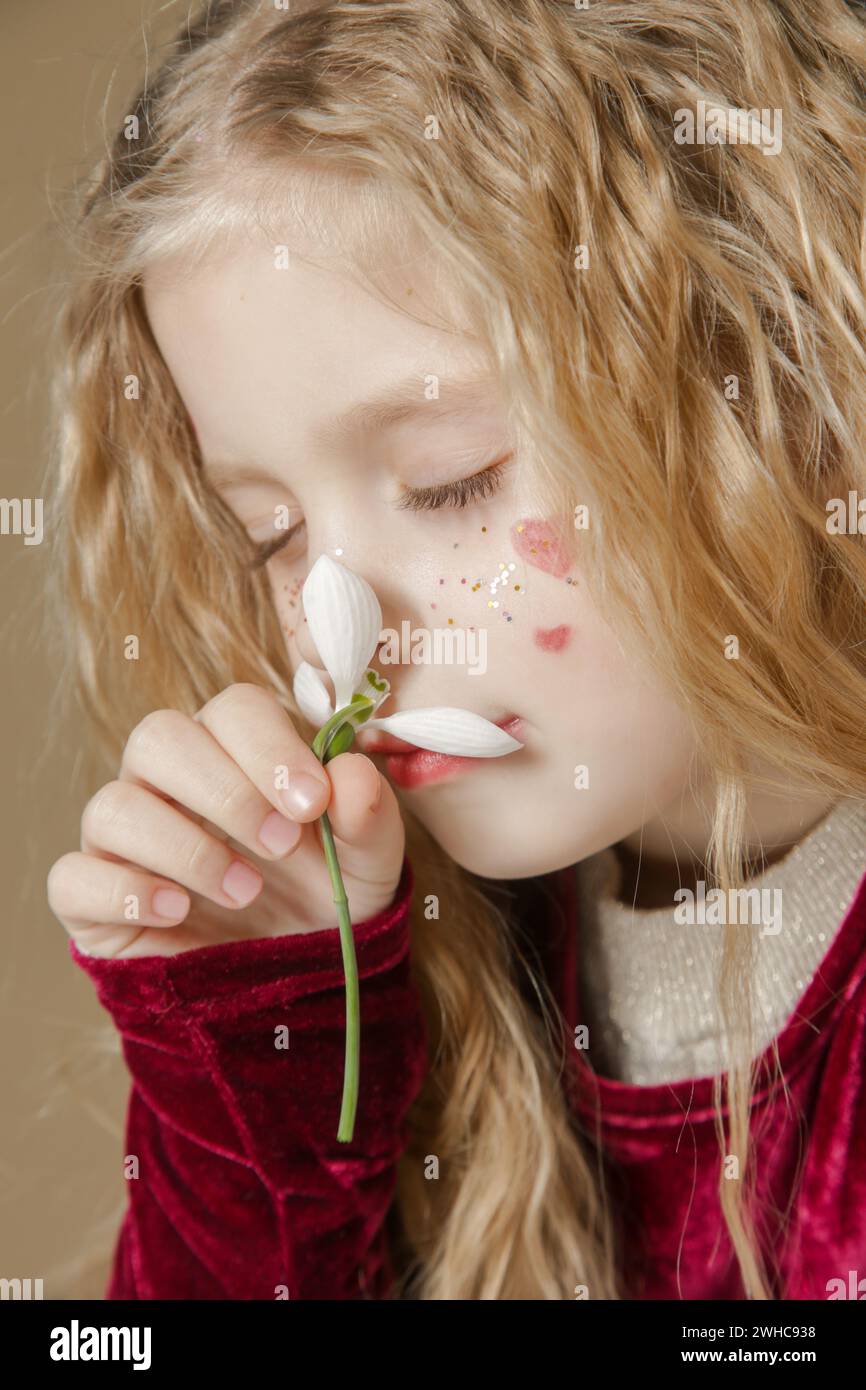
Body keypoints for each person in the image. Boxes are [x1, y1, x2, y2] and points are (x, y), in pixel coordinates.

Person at [46, 0, 866, 1299]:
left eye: (446, 482)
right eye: (268, 534)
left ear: (773, 378)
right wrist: (263, 1071)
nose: (342, 638)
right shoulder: (436, 960)